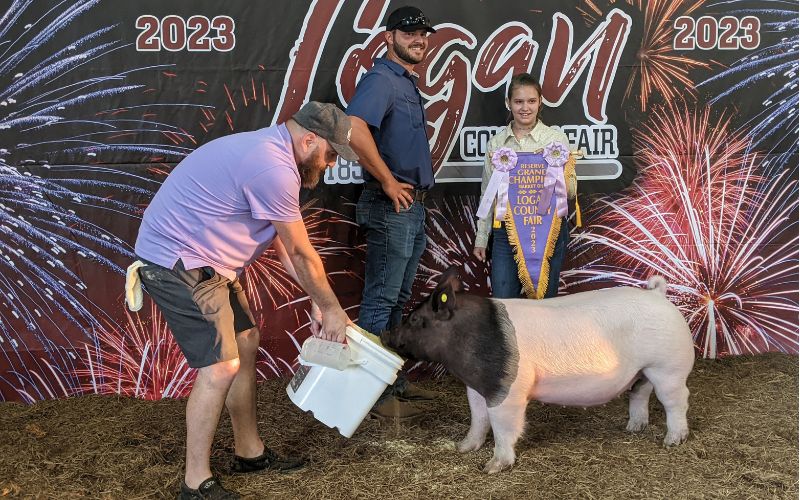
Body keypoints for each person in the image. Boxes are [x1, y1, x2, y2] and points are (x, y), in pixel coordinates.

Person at [133, 101, 357, 499]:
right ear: (309, 140)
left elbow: (289, 249)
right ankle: (195, 484)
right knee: (222, 367)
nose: (332, 165)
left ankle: (249, 452)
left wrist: (320, 302)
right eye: (331, 154)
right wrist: (334, 311)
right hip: (176, 260)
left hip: (209, 263)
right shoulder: (272, 167)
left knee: (246, 341)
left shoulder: (276, 156)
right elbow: (304, 255)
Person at [345, 5, 440, 419]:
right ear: (388, 37)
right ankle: (372, 394)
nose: (418, 39)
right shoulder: (382, 78)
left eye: (422, 34)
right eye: (409, 33)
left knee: (397, 299)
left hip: (411, 206)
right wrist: (385, 179)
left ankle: (390, 382)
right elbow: (353, 127)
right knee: (382, 300)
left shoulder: (404, 81)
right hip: (391, 204)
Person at [473, 73, 577, 299]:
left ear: (540, 102)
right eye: (518, 101)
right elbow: (487, 195)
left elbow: (570, 191)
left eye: (531, 101)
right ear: (508, 103)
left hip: (548, 229)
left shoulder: (555, 140)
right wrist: (482, 238)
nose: (525, 108)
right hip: (506, 231)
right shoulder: (497, 143)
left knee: (545, 303)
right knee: (504, 302)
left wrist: (561, 174)